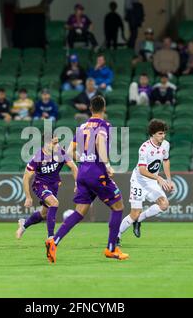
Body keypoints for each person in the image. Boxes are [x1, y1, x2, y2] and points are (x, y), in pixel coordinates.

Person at [45, 95, 129, 263]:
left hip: (83, 172)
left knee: (79, 211)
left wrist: (84, 159)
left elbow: (69, 153)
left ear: (90, 109)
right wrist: (107, 164)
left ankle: (54, 241)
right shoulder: (104, 125)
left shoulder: (82, 127)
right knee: (118, 206)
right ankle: (111, 249)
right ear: (104, 109)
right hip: (97, 172)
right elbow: (99, 141)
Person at [117, 119, 173, 245]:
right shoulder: (144, 148)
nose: (163, 136)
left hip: (152, 181)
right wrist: (158, 178)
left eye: (164, 133)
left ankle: (139, 220)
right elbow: (142, 170)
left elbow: (166, 160)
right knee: (134, 213)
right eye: (160, 134)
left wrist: (169, 180)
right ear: (152, 133)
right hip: (139, 181)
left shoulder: (165, 145)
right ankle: (117, 236)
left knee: (164, 205)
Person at [17, 137, 78, 239]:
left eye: (57, 143)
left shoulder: (60, 153)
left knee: (43, 214)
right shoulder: (38, 157)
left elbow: (73, 167)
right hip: (40, 184)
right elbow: (26, 177)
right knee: (54, 203)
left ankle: (23, 225)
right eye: (54, 143)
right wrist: (28, 197)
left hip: (53, 186)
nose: (57, 145)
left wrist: (77, 183)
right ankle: (51, 237)